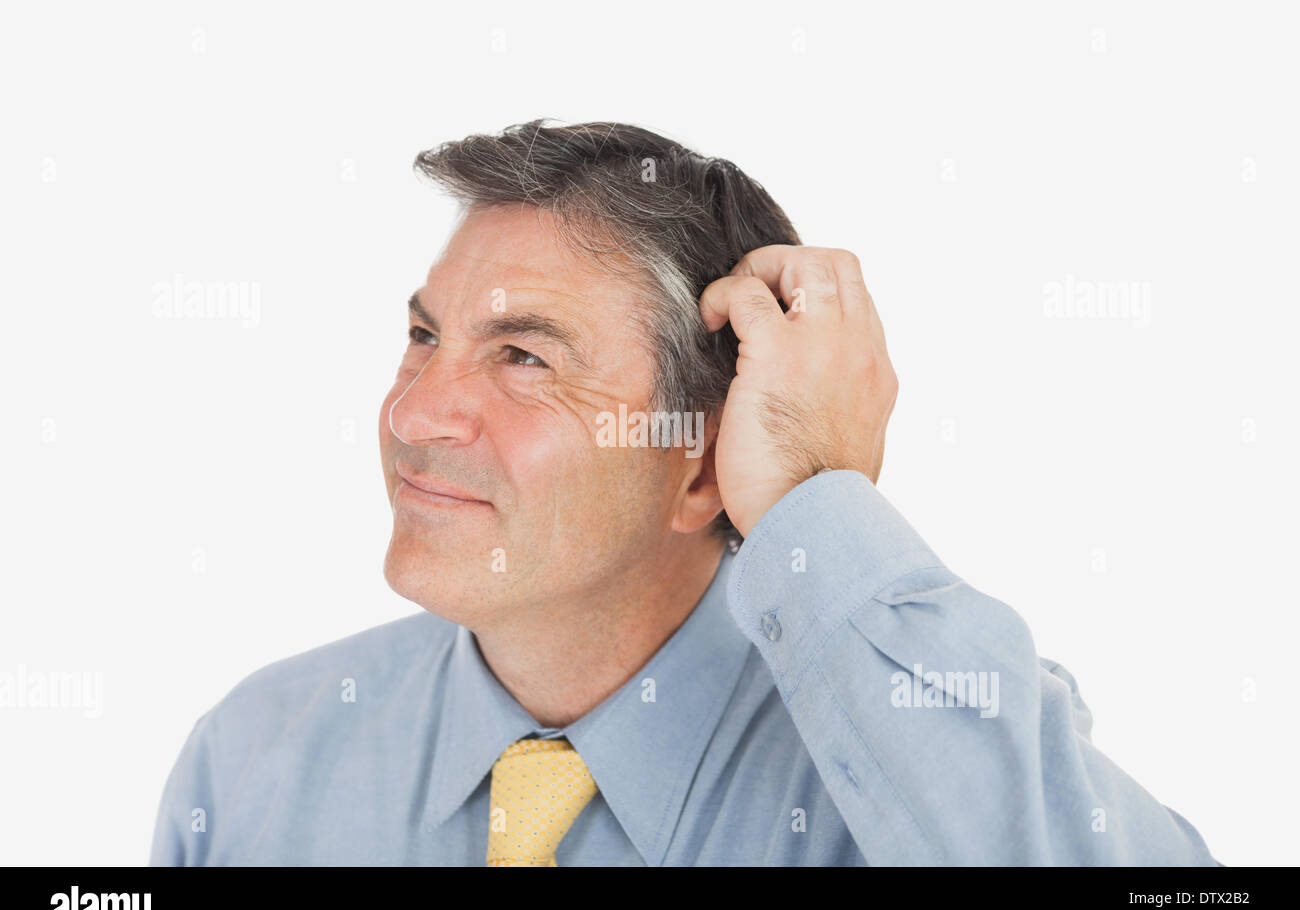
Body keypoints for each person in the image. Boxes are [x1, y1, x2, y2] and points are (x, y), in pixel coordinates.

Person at [149, 119, 1219, 866]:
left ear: (699, 463)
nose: (414, 413)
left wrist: (814, 497)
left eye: (523, 356)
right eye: (424, 335)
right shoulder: (252, 756)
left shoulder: (924, 754)